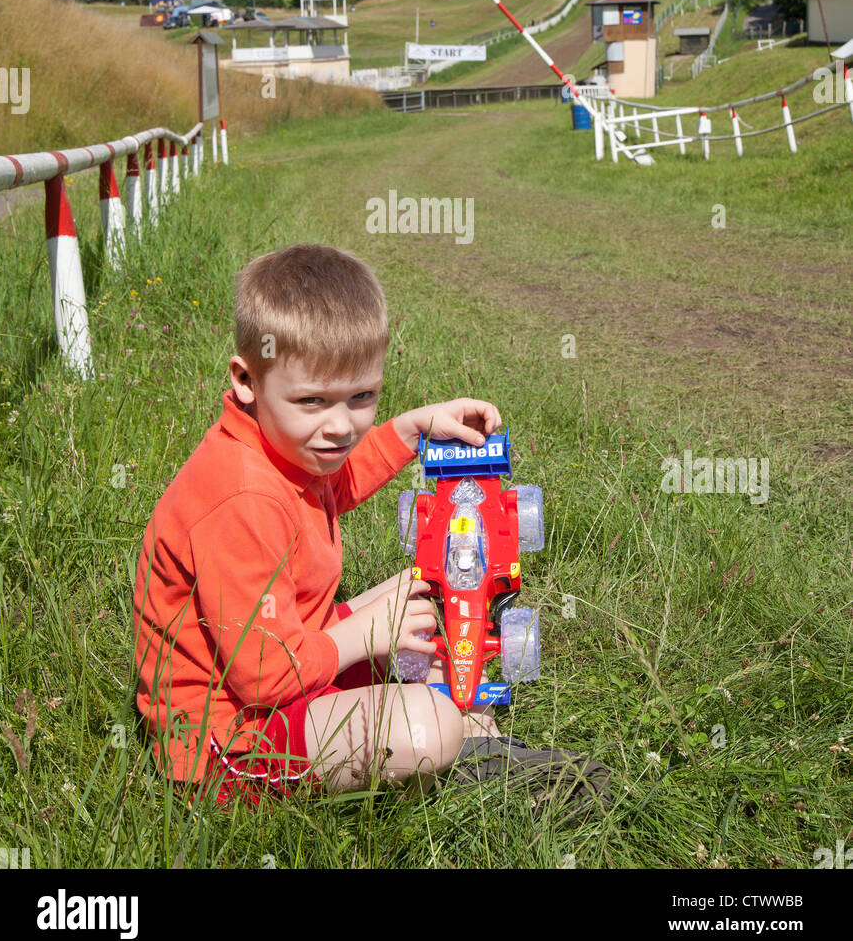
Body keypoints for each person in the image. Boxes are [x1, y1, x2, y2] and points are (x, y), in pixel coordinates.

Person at [133, 243, 611, 811]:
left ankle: (473, 745)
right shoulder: (241, 497)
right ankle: (460, 756)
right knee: (421, 729)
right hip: (229, 741)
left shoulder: (282, 448)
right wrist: (362, 636)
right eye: (313, 400)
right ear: (246, 379)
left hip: (289, 663)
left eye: (362, 396)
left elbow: (336, 485)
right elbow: (260, 676)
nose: (341, 426)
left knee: (421, 595)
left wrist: (410, 431)